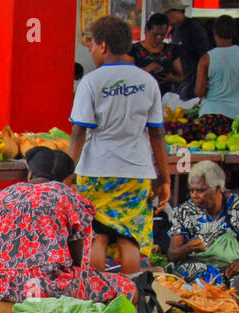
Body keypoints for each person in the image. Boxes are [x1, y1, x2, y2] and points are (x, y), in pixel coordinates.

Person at [69, 16, 170, 274]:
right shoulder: (148, 82)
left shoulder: (91, 82)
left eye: (91, 45)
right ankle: (132, 298)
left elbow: (78, 133)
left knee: (97, 236)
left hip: (95, 170)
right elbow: (157, 135)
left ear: (102, 46)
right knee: (130, 238)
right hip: (137, 171)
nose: (91, 51)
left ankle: (97, 296)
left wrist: (68, 174)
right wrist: (165, 179)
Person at [0, 147, 136, 306]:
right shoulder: (65, 194)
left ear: (31, 173)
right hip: (49, 286)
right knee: (127, 287)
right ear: (64, 178)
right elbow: (79, 260)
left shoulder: (4, 195)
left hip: (0, 285)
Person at [166, 161, 239, 286]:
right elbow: (172, 254)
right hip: (198, 271)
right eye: (192, 190)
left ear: (218, 188)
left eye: (201, 191)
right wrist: (188, 248)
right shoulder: (185, 212)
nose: (194, 195)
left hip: (232, 270)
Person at [195, 15, 239, 138]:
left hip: (211, 115)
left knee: (209, 154)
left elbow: (199, 92)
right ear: (234, 33)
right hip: (238, 116)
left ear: (214, 32)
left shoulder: (206, 58)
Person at [166, 3, 211, 100]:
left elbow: (205, 55)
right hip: (180, 82)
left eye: (168, 13)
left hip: (192, 82)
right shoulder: (174, 31)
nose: (167, 16)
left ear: (178, 11)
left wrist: (203, 82)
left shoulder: (193, 27)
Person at [131, 13, 182, 95]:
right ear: (147, 30)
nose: (159, 38)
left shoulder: (172, 49)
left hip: (165, 96)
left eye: (162, 35)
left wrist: (172, 78)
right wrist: (147, 69)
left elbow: (181, 77)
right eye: (155, 34)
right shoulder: (133, 50)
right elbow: (127, 75)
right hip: (140, 95)